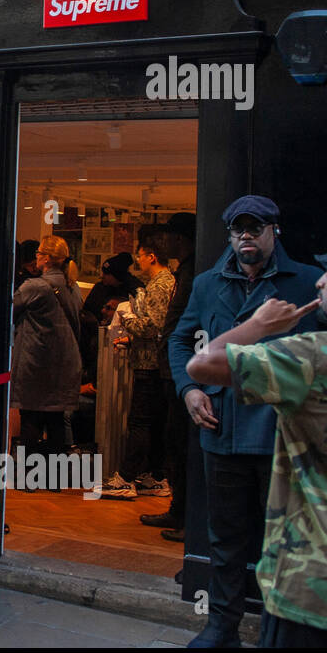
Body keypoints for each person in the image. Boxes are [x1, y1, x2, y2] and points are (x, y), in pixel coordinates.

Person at [185, 235, 327, 647]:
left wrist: (259, 325)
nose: (320, 283)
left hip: (314, 597)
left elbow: (204, 363)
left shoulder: (317, 355)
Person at [167, 195, 320, 647]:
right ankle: (221, 626)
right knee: (226, 539)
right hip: (223, 429)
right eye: (238, 229)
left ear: (275, 231)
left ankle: (280, 630)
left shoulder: (307, 282)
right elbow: (180, 340)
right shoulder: (208, 283)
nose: (246, 236)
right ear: (229, 235)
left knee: (285, 540)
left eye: (256, 228)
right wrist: (189, 389)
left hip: (281, 434)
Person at [99, 229, 176, 499]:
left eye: (140, 256)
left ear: (152, 257)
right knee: (154, 422)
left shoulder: (158, 286)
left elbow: (153, 326)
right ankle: (153, 475)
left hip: (150, 364)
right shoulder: (169, 283)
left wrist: (127, 318)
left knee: (140, 421)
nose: (138, 262)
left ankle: (126, 478)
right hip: (156, 360)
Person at [144, 212, 196, 540]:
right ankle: (180, 511)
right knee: (174, 440)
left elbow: (182, 322)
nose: (164, 243)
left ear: (179, 238)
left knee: (181, 442)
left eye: (169, 236)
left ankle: (186, 515)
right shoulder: (186, 270)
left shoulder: (193, 271)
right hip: (175, 368)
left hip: (182, 370)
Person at [10, 235, 82, 463]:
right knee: (56, 420)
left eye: (39, 253)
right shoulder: (72, 286)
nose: (36, 257)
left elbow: (10, 310)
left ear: (48, 259)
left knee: (31, 418)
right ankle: (54, 479)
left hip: (36, 361)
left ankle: (29, 476)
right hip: (65, 363)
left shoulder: (35, 286)